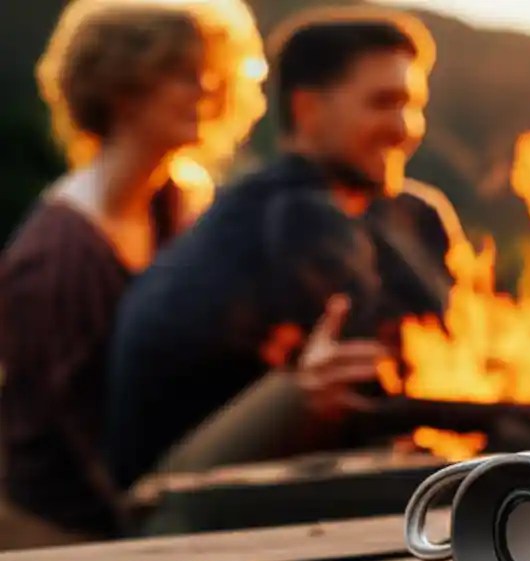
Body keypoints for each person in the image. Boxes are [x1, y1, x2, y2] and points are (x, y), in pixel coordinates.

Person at [107, 9, 463, 490]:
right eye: (382, 103)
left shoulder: (411, 213)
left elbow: (457, 347)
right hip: (177, 499)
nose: (404, 126)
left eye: (413, 104)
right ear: (307, 110)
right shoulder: (289, 216)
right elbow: (381, 390)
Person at [0, 0, 265, 542]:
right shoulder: (58, 254)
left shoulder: (180, 202)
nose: (208, 92)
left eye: (213, 75)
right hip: (74, 528)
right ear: (123, 88)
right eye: (185, 76)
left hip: (160, 479)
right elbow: (74, 445)